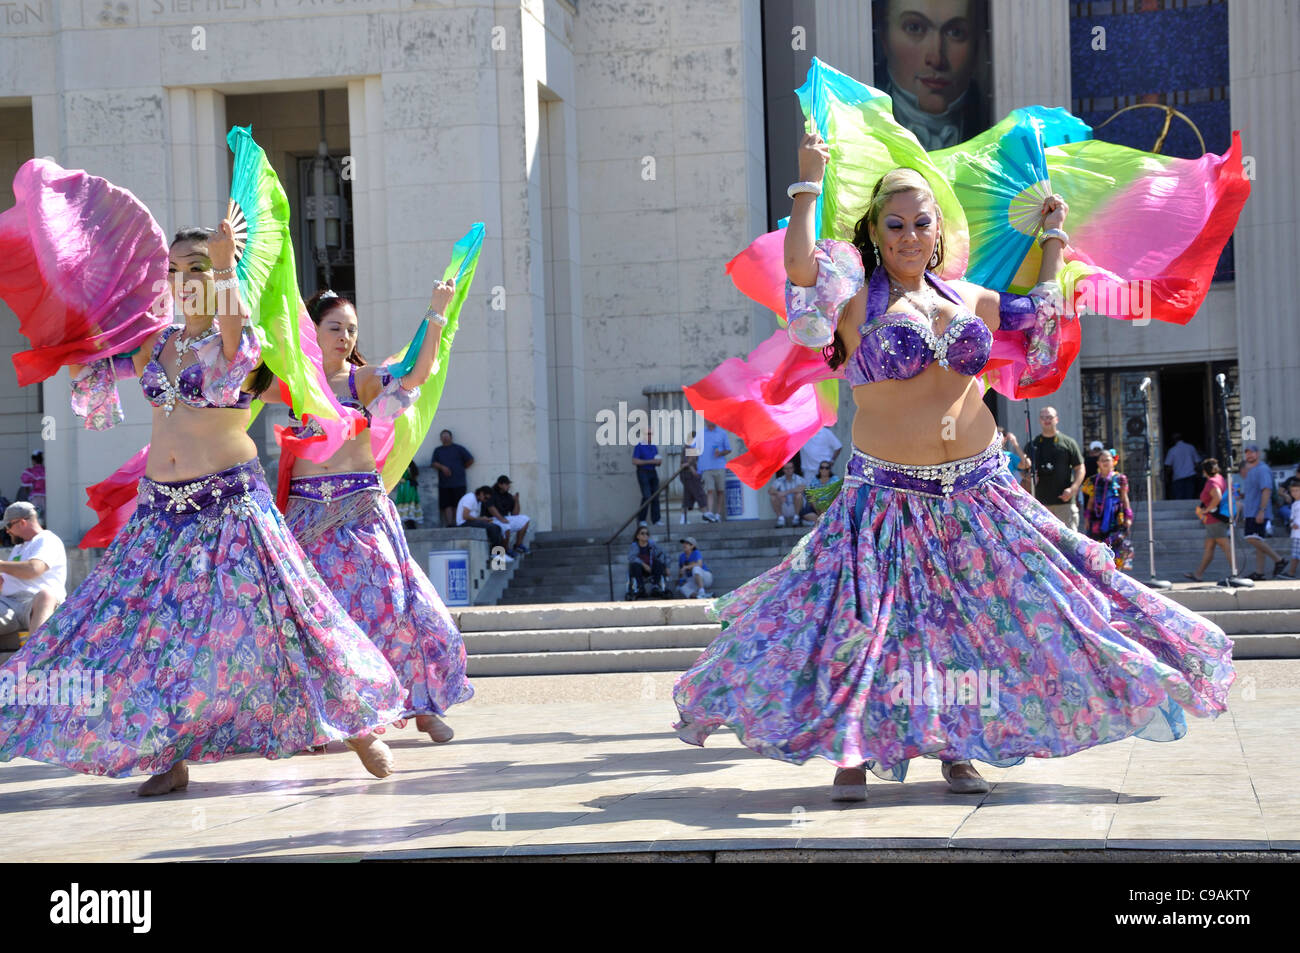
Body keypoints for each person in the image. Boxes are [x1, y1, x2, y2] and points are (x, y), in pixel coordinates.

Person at [674, 150, 1233, 803]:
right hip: (885, 496)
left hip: (978, 493)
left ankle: (959, 747)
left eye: (921, 224)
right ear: (876, 234)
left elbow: (1042, 310)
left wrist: (1053, 238)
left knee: (984, 623)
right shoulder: (851, 301)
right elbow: (799, 267)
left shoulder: (975, 299)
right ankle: (855, 749)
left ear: (939, 232)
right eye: (895, 225)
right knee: (867, 626)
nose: (910, 237)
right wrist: (808, 180)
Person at [0, 223, 407, 796]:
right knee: (140, 632)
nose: (183, 280)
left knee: (287, 623)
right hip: (160, 513)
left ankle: (359, 724)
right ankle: (168, 755)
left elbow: (234, 324)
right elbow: (91, 393)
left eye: (196, 267)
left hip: (232, 506)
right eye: (175, 269)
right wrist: (77, 330)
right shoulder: (154, 342)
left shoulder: (236, 340)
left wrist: (223, 268)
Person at [265, 285, 472, 747]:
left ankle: (421, 706)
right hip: (307, 515)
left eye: (351, 329)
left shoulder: (363, 380)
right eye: (334, 327)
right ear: (311, 331)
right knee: (313, 616)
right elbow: (238, 383)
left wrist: (435, 315)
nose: (344, 336)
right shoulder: (295, 382)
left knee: (396, 607)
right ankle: (324, 717)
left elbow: (416, 376)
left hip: (361, 512)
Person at [873, 0, 989, 151]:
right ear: (884, 37)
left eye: (956, 32)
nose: (936, 59)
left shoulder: (992, 121)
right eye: (915, 28)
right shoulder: (856, 121)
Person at [0, 502, 66, 646]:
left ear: (22, 522)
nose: (7, 531)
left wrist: (1, 565)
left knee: (46, 595)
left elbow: (33, 569)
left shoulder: (47, 540)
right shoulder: (19, 547)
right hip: (9, 603)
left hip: (32, 602)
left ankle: (33, 656)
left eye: (8, 526)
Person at [1025, 406, 1085, 530]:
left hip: (1065, 503)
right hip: (1040, 504)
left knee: (1069, 544)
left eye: (1050, 417)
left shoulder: (1068, 442)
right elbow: (1024, 471)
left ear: (1056, 419)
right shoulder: (1032, 444)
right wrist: (1028, 478)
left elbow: (1080, 468)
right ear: (1039, 420)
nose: (1046, 420)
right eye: (1043, 417)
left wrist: (1073, 489)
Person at [1080, 449, 1134, 571]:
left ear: (1113, 461)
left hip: (1115, 518)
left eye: (1107, 460)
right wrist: (1087, 518)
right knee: (1097, 550)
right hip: (1097, 519)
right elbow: (1091, 501)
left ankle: (1116, 576)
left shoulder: (1120, 478)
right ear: (1098, 463)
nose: (1105, 462)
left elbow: (1124, 498)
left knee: (1116, 547)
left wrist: (1128, 517)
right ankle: (1099, 578)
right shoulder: (1093, 480)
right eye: (1102, 460)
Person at [1241, 444, 1286, 580]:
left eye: (1252, 452)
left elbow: (1266, 490)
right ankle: (1259, 573)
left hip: (1258, 512)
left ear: (1258, 454)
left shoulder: (1262, 469)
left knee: (1250, 537)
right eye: (1247, 453)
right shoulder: (1250, 471)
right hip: (1250, 511)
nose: (1249, 455)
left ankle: (1279, 560)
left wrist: (1261, 511)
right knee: (1259, 541)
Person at [1186, 458, 1233, 582]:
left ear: (1205, 471)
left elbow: (1217, 496)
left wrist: (1206, 510)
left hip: (1214, 521)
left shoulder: (1211, 482)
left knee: (1225, 546)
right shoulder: (1220, 479)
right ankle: (1198, 574)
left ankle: (1236, 572)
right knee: (1209, 547)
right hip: (1216, 519)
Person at [456, 485, 512, 561]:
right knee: (493, 528)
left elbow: (474, 518)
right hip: (463, 523)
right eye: (485, 498)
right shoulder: (470, 498)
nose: (485, 501)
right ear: (481, 493)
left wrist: (484, 520)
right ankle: (495, 553)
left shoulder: (478, 501)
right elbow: (465, 516)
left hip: (470, 522)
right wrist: (481, 519)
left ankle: (499, 553)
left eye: (487, 499)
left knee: (498, 527)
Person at [432, 430, 474, 527]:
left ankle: (457, 523)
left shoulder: (459, 449)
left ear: (451, 437)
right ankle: (450, 524)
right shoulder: (438, 450)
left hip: (459, 482)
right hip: (444, 483)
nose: (445, 438)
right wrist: (442, 467)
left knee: (458, 504)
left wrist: (460, 469)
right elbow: (433, 463)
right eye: (443, 436)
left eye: (446, 436)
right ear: (440, 439)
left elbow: (470, 460)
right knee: (447, 504)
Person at [696, 420, 731, 522]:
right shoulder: (701, 433)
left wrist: (720, 453)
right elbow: (694, 449)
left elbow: (728, 449)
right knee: (709, 490)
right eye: (706, 419)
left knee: (720, 491)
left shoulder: (722, 433)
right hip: (706, 467)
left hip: (719, 466)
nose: (708, 421)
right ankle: (710, 512)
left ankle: (718, 514)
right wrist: (688, 458)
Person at [487, 474, 530, 555]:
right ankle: (505, 549)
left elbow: (515, 514)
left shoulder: (508, 496)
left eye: (508, 484)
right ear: (500, 485)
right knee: (506, 527)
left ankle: (518, 545)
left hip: (504, 518)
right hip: (491, 519)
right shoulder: (492, 493)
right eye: (506, 484)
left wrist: (516, 501)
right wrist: (501, 519)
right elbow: (491, 508)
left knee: (525, 519)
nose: (508, 486)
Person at [627, 526, 667, 599]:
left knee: (658, 562)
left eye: (647, 533)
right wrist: (643, 564)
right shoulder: (634, 546)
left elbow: (663, 554)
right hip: (640, 570)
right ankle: (641, 588)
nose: (645, 535)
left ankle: (655, 587)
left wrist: (667, 567)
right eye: (642, 533)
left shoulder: (652, 544)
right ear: (637, 536)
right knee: (635, 564)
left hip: (651, 568)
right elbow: (631, 557)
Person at [633, 429, 663, 527]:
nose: (650, 436)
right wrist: (651, 461)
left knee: (655, 496)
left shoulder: (653, 447)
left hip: (653, 472)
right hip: (643, 472)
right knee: (646, 496)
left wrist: (657, 462)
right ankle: (642, 519)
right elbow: (635, 461)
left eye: (651, 434)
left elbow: (656, 461)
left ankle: (656, 520)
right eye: (648, 434)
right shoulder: (639, 446)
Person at [678, 436, 708, 524]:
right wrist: (693, 471)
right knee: (699, 494)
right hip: (689, 475)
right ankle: (706, 514)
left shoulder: (692, 448)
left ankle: (683, 518)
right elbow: (689, 461)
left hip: (690, 475)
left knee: (687, 496)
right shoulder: (689, 448)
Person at [768, 460, 807, 528]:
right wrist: (778, 494)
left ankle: (796, 518)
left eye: (790, 468)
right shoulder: (779, 480)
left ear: (793, 469)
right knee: (773, 497)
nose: (788, 470)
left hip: (797, 508)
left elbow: (802, 488)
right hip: (785, 506)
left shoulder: (799, 479)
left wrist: (784, 493)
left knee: (798, 495)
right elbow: (770, 490)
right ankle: (781, 519)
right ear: (783, 470)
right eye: (786, 468)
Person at [1164, 434, 1201, 500]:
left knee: (1179, 498)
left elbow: (1168, 465)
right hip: (1190, 475)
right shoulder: (1190, 447)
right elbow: (1197, 462)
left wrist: (1166, 476)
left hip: (1178, 477)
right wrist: (1198, 472)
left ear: (1174, 440)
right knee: (1190, 496)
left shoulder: (1172, 450)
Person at [392, 460, 424, 529]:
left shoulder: (410, 466)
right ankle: (407, 522)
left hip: (409, 488)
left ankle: (410, 522)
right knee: (403, 505)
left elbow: (414, 475)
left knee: (410, 504)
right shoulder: (399, 466)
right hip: (403, 489)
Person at [1283, 480, 1300, 580]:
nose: (1294, 493)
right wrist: (1292, 524)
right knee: (1295, 555)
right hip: (1296, 534)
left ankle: (1291, 573)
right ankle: (1291, 573)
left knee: (1296, 555)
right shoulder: (1294, 504)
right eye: (1293, 491)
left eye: (1297, 490)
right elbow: (1292, 518)